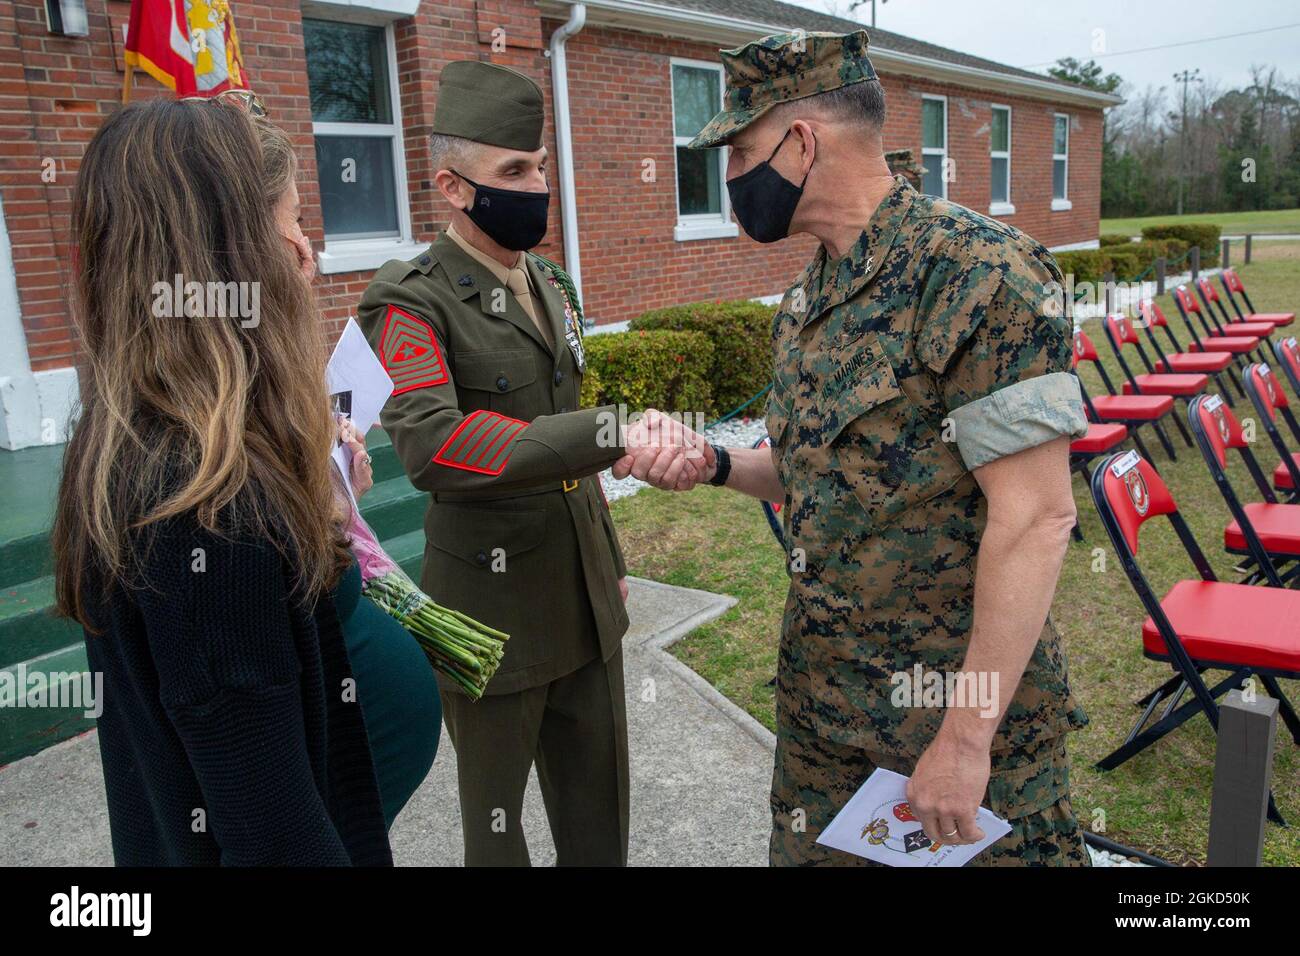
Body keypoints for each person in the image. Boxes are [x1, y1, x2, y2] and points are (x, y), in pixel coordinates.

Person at [619, 30, 1092, 866]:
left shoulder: (978, 274)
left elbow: (1037, 518)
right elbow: (812, 471)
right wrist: (718, 461)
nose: (730, 179)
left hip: (945, 724)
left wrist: (966, 741)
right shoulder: (810, 296)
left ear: (802, 142)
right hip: (825, 719)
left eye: (739, 151)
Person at [52, 98, 392, 865]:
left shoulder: (135, 445)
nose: (310, 252)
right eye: (294, 224)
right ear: (237, 257)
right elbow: (272, 835)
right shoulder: (206, 510)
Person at [356, 61, 676, 866]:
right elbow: (436, 446)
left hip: (586, 595)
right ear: (454, 187)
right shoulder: (409, 300)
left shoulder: (549, 281)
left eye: (538, 167)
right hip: (488, 614)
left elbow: (553, 425)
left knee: (599, 822)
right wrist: (609, 431)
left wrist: (609, 555)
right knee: (497, 838)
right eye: (513, 172)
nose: (536, 186)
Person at [257, 116, 442, 832]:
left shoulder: (260, 405)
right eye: (296, 220)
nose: (309, 247)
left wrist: (337, 498)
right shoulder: (209, 473)